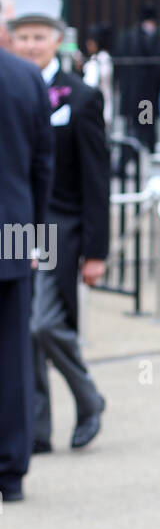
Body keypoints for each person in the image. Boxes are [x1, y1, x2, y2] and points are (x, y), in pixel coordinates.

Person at [10, 0, 110, 453]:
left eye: (40, 35)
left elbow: (97, 178)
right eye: (23, 35)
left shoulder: (81, 95)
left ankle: (88, 397)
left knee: (42, 323)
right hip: (18, 223)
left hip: (60, 224)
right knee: (20, 324)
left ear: (57, 39)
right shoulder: (9, 86)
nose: (31, 44)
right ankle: (37, 427)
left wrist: (97, 250)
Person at [0, 41, 54, 501]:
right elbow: (43, 166)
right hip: (13, 231)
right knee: (13, 354)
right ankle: (11, 468)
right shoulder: (24, 77)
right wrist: (36, 236)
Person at [116, 3, 160, 151]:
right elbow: (159, 66)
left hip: (131, 94)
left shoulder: (127, 37)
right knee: (145, 130)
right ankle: (145, 157)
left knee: (131, 130)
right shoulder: (148, 39)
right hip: (146, 96)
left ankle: (126, 163)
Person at [82, 23, 115, 133]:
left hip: (98, 110)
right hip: (102, 109)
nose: (88, 45)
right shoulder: (103, 58)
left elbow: (90, 83)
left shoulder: (99, 59)